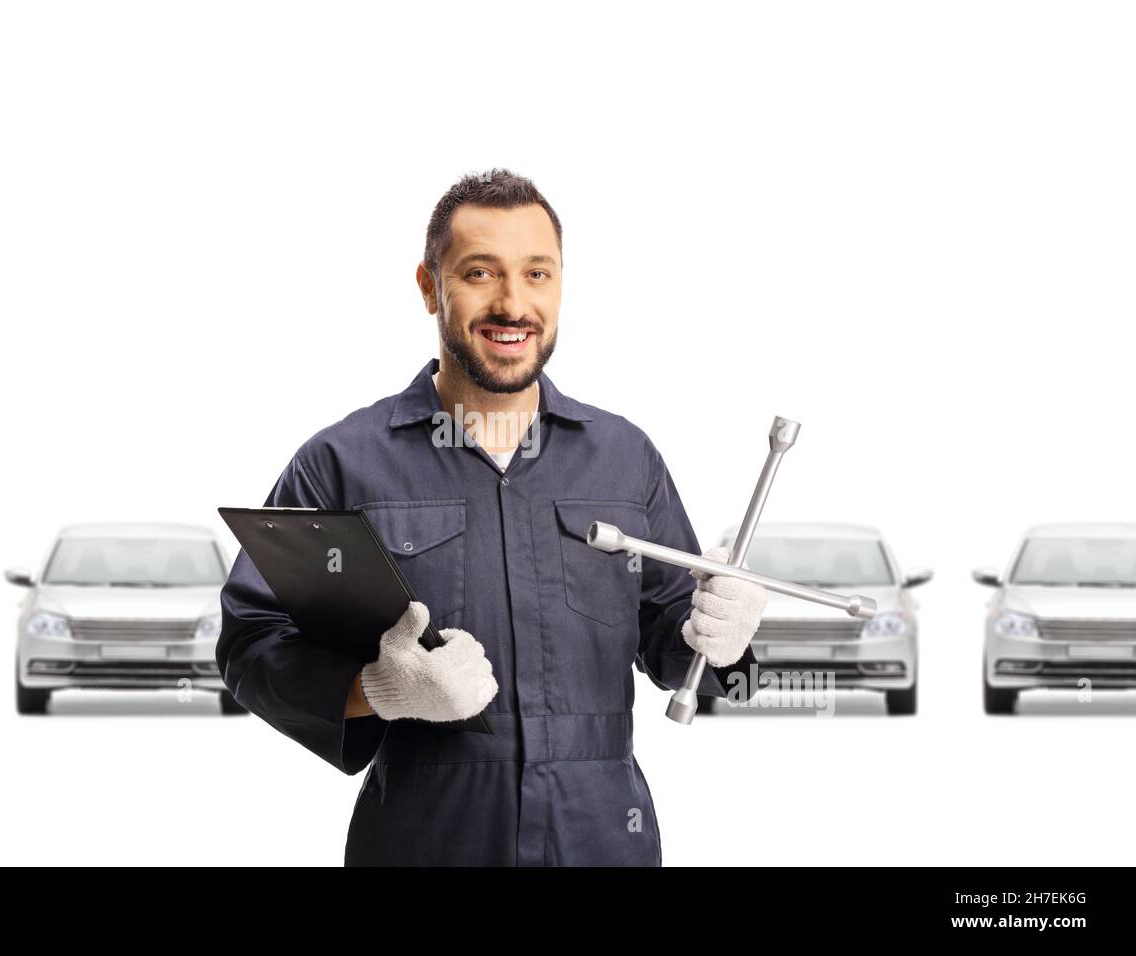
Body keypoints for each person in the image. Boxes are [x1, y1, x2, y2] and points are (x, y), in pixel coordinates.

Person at [217, 168, 767, 866]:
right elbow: (248, 644)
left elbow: (688, 652)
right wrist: (376, 692)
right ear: (429, 286)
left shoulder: (626, 460)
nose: (514, 303)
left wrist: (731, 643)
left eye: (538, 274)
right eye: (481, 273)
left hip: (603, 840)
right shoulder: (341, 463)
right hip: (424, 843)